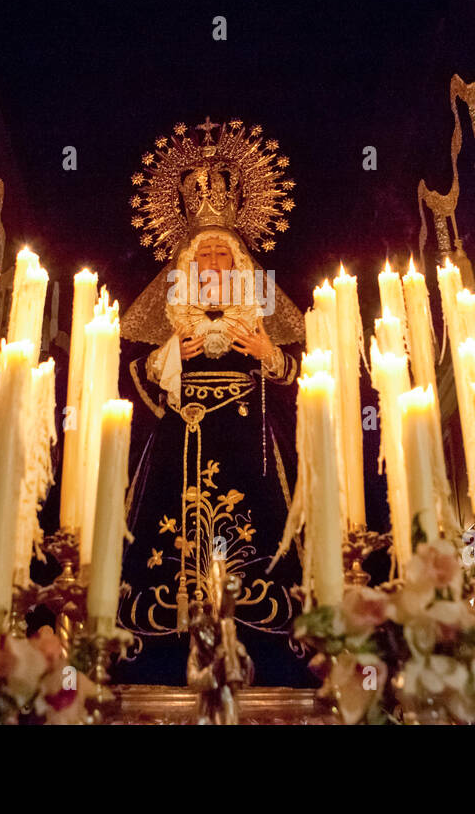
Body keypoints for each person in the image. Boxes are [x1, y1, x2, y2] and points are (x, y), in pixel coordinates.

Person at [115, 120, 313, 687]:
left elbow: (311, 393)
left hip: (251, 450)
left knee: (265, 545)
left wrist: (272, 359)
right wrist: (170, 356)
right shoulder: (168, 333)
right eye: (201, 261)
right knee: (164, 556)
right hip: (178, 452)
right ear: (187, 271)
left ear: (239, 267)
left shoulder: (264, 324)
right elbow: (132, 390)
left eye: (222, 260)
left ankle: (270, 660)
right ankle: (161, 661)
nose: (211, 269)